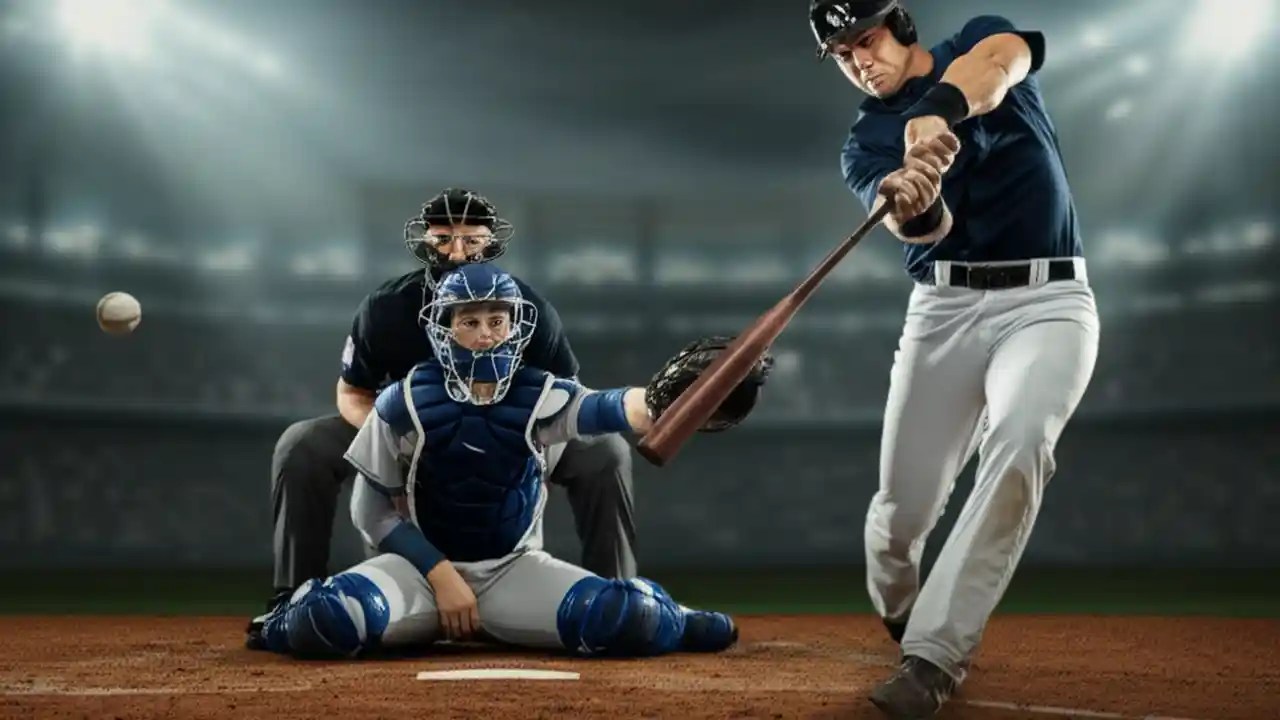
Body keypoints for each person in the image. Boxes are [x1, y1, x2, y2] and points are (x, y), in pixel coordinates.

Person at [809, 2, 1100, 717]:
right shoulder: (862, 144)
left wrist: (935, 115)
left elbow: (1000, 68)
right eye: (842, 54)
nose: (858, 61)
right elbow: (924, 227)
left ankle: (934, 656)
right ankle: (903, 610)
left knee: (1024, 440)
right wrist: (912, 195)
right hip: (943, 311)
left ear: (900, 25)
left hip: (1049, 301)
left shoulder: (975, 39)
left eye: (865, 40)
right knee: (900, 520)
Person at [247, 263, 755, 659]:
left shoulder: (541, 394)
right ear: (445, 329)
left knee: (629, 620)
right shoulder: (401, 401)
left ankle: (680, 618)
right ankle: (282, 618)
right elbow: (370, 511)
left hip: (513, 571)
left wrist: (665, 401)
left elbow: (612, 407)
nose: (486, 333)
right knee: (325, 620)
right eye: (470, 321)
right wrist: (441, 576)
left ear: (515, 327)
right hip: (416, 575)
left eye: (497, 320)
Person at [250, 188, 638, 641]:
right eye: (443, 238)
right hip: (405, 427)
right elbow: (352, 390)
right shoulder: (386, 307)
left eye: (471, 240)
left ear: (491, 243)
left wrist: (520, 454)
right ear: (424, 241)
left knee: (606, 449)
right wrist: (400, 441)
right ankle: (293, 600)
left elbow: (571, 398)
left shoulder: (531, 311)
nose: (457, 251)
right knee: (303, 444)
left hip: (510, 430)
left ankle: (618, 597)